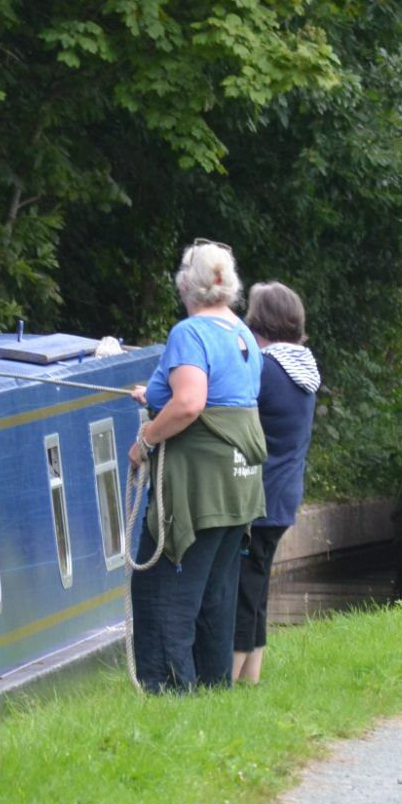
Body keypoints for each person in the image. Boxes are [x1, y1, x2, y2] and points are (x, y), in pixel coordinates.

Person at [127, 241, 268, 693]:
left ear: (186, 286)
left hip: (197, 488)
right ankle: (212, 691)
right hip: (239, 484)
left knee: (165, 592)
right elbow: (222, 397)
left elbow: (190, 403)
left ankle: (170, 692)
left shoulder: (190, 333)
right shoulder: (244, 335)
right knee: (216, 595)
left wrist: (146, 439)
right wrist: (153, 397)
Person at [232, 282, 319, 686]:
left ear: (259, 322)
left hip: (260, 496)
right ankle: (252, 676)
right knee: (258, 588)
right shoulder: (301, 367)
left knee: (243, 592)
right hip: (284, 497)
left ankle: (227, 681)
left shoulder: (266, 368)